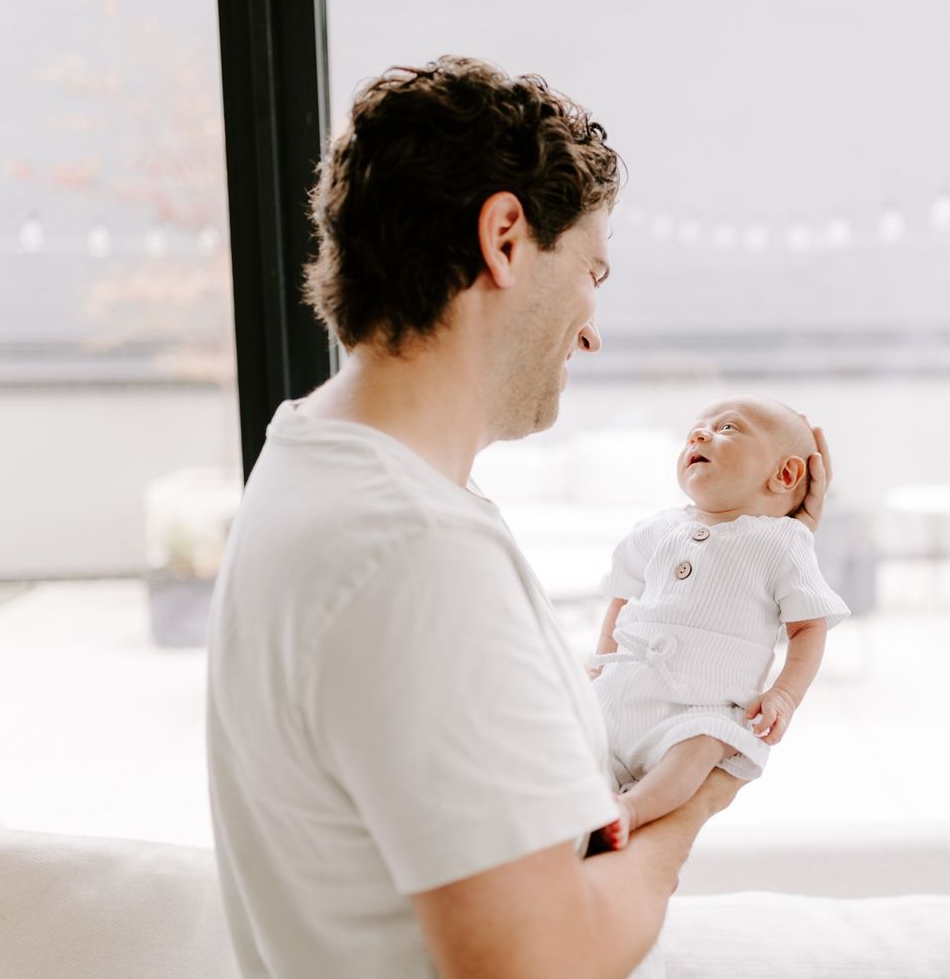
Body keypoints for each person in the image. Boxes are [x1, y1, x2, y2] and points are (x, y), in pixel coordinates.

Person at [204, 56, 831, 978]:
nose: (591, 329)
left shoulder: (304, 465)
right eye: (590, 270)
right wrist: (706, 787)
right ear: (504, 238)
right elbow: (545, 959)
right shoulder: (415, 553)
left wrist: (765, 546)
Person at [588, 396, 849, 852]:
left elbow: (809, 627)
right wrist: (598, 664)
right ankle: (571, 804)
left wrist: (783, 696)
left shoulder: (782, 542)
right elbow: (622, 597)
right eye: (697, 428)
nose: (700, 434)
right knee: (569, 722)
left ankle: (631, 809)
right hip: (617, 695)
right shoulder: (658, 528)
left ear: (784, 475)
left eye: (727, 428)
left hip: (700, 710)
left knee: (705, 744)